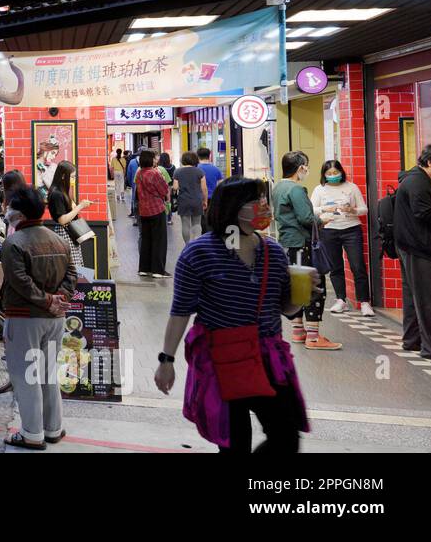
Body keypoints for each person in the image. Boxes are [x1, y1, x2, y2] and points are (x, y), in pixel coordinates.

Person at [154, 178, 315, 453]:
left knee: (286, 436)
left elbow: (286, 309)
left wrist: (304, 296)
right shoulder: (199, 254)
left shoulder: (273, 252)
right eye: (257, 201)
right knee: (233, 442)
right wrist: (166, 360)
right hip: (221, 360)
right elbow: (180, 311)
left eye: (265, 200)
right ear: (234, 208)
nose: (265, 207)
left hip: (267, 358)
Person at [1, 186, 77, 450]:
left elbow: (19, 281)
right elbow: (71, 274)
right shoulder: (59, 240)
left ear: (18, 213)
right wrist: (60, 300)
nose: (6, 209)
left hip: (24, 318)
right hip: (56, 319)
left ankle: (32, 433)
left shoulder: (13, 243)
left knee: (25, 376)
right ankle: (53, 428)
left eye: (10, 206)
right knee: (48, 374)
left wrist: (46, 300)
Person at [271, 151, 340, 350]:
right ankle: (313, 337)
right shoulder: (296, 190)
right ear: (300, 167)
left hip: (288, 243)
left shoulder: (278, 187)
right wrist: (323, 220)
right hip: (301, 242)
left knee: (298, 287)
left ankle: (298, 331)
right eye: (306, 166)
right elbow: (306, 218)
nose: (307, 170)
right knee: (313, 286)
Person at [311, 160, 374, 318]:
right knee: (335, 267)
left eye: (335, 173)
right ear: (324, 175)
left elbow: (364, 209)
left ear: (341, 172)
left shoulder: (351, 187)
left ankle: (364, 302)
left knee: (358, 265)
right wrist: (326, 208)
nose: (333, 176)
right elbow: (312, 209)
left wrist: (352, 210)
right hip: (329, 231)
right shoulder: (320, 190)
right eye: (329, 174)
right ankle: (341, 300)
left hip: (351, 230)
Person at [394, 145, 431, 359]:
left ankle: (412, 340)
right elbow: (423, 212)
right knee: (427, 298)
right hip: (418, 247)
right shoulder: (419, 182)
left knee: (412, 295)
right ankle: (430, 348)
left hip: (407, 245)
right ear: (430, 162)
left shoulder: (412, 179)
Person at [46, 160, 91, 269]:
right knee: (71, 268)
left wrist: (77, 206)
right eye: (72, 177)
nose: (74, 180)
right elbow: (62, 219)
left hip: (70, 233)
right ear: (62, 176)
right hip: (65, 233)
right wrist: (80, 206)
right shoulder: (57, 193)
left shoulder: (63, 191)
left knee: (75, 267)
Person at [135, 150, 170, 279]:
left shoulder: (139, 173)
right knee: (159, 240)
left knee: (146, 239)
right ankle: (158, 270)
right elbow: (164, 190)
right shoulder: (155, 173)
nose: (156, 160)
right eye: (155, 158)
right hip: (156, 209)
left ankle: (144, 268)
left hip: (143, 210)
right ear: (150, 159)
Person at [173, 152, 208, 245]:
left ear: (183, 160)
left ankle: (187, 245)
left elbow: (175, 187)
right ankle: (196, 244)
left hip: (183, 200)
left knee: (185, 224)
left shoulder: (177, 171)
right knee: (197, 223)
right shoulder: (199, 171)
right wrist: (205, 201)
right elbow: (204, 188)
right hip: (197, 200)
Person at [197, 147, 223, 233]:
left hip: (199, 198)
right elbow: (220, 185)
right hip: (212, 198)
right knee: (211, 219)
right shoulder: (216, 169)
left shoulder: (196, 169)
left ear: (198, 156)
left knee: (199, 221)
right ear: (209, 156)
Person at [125, 148, 142, 222]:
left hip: (134, 182)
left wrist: (130, 183)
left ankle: (134, 212)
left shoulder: (132, 162)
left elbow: (128, 174)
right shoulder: (148, 161)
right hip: (144, 183)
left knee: (134, 197)